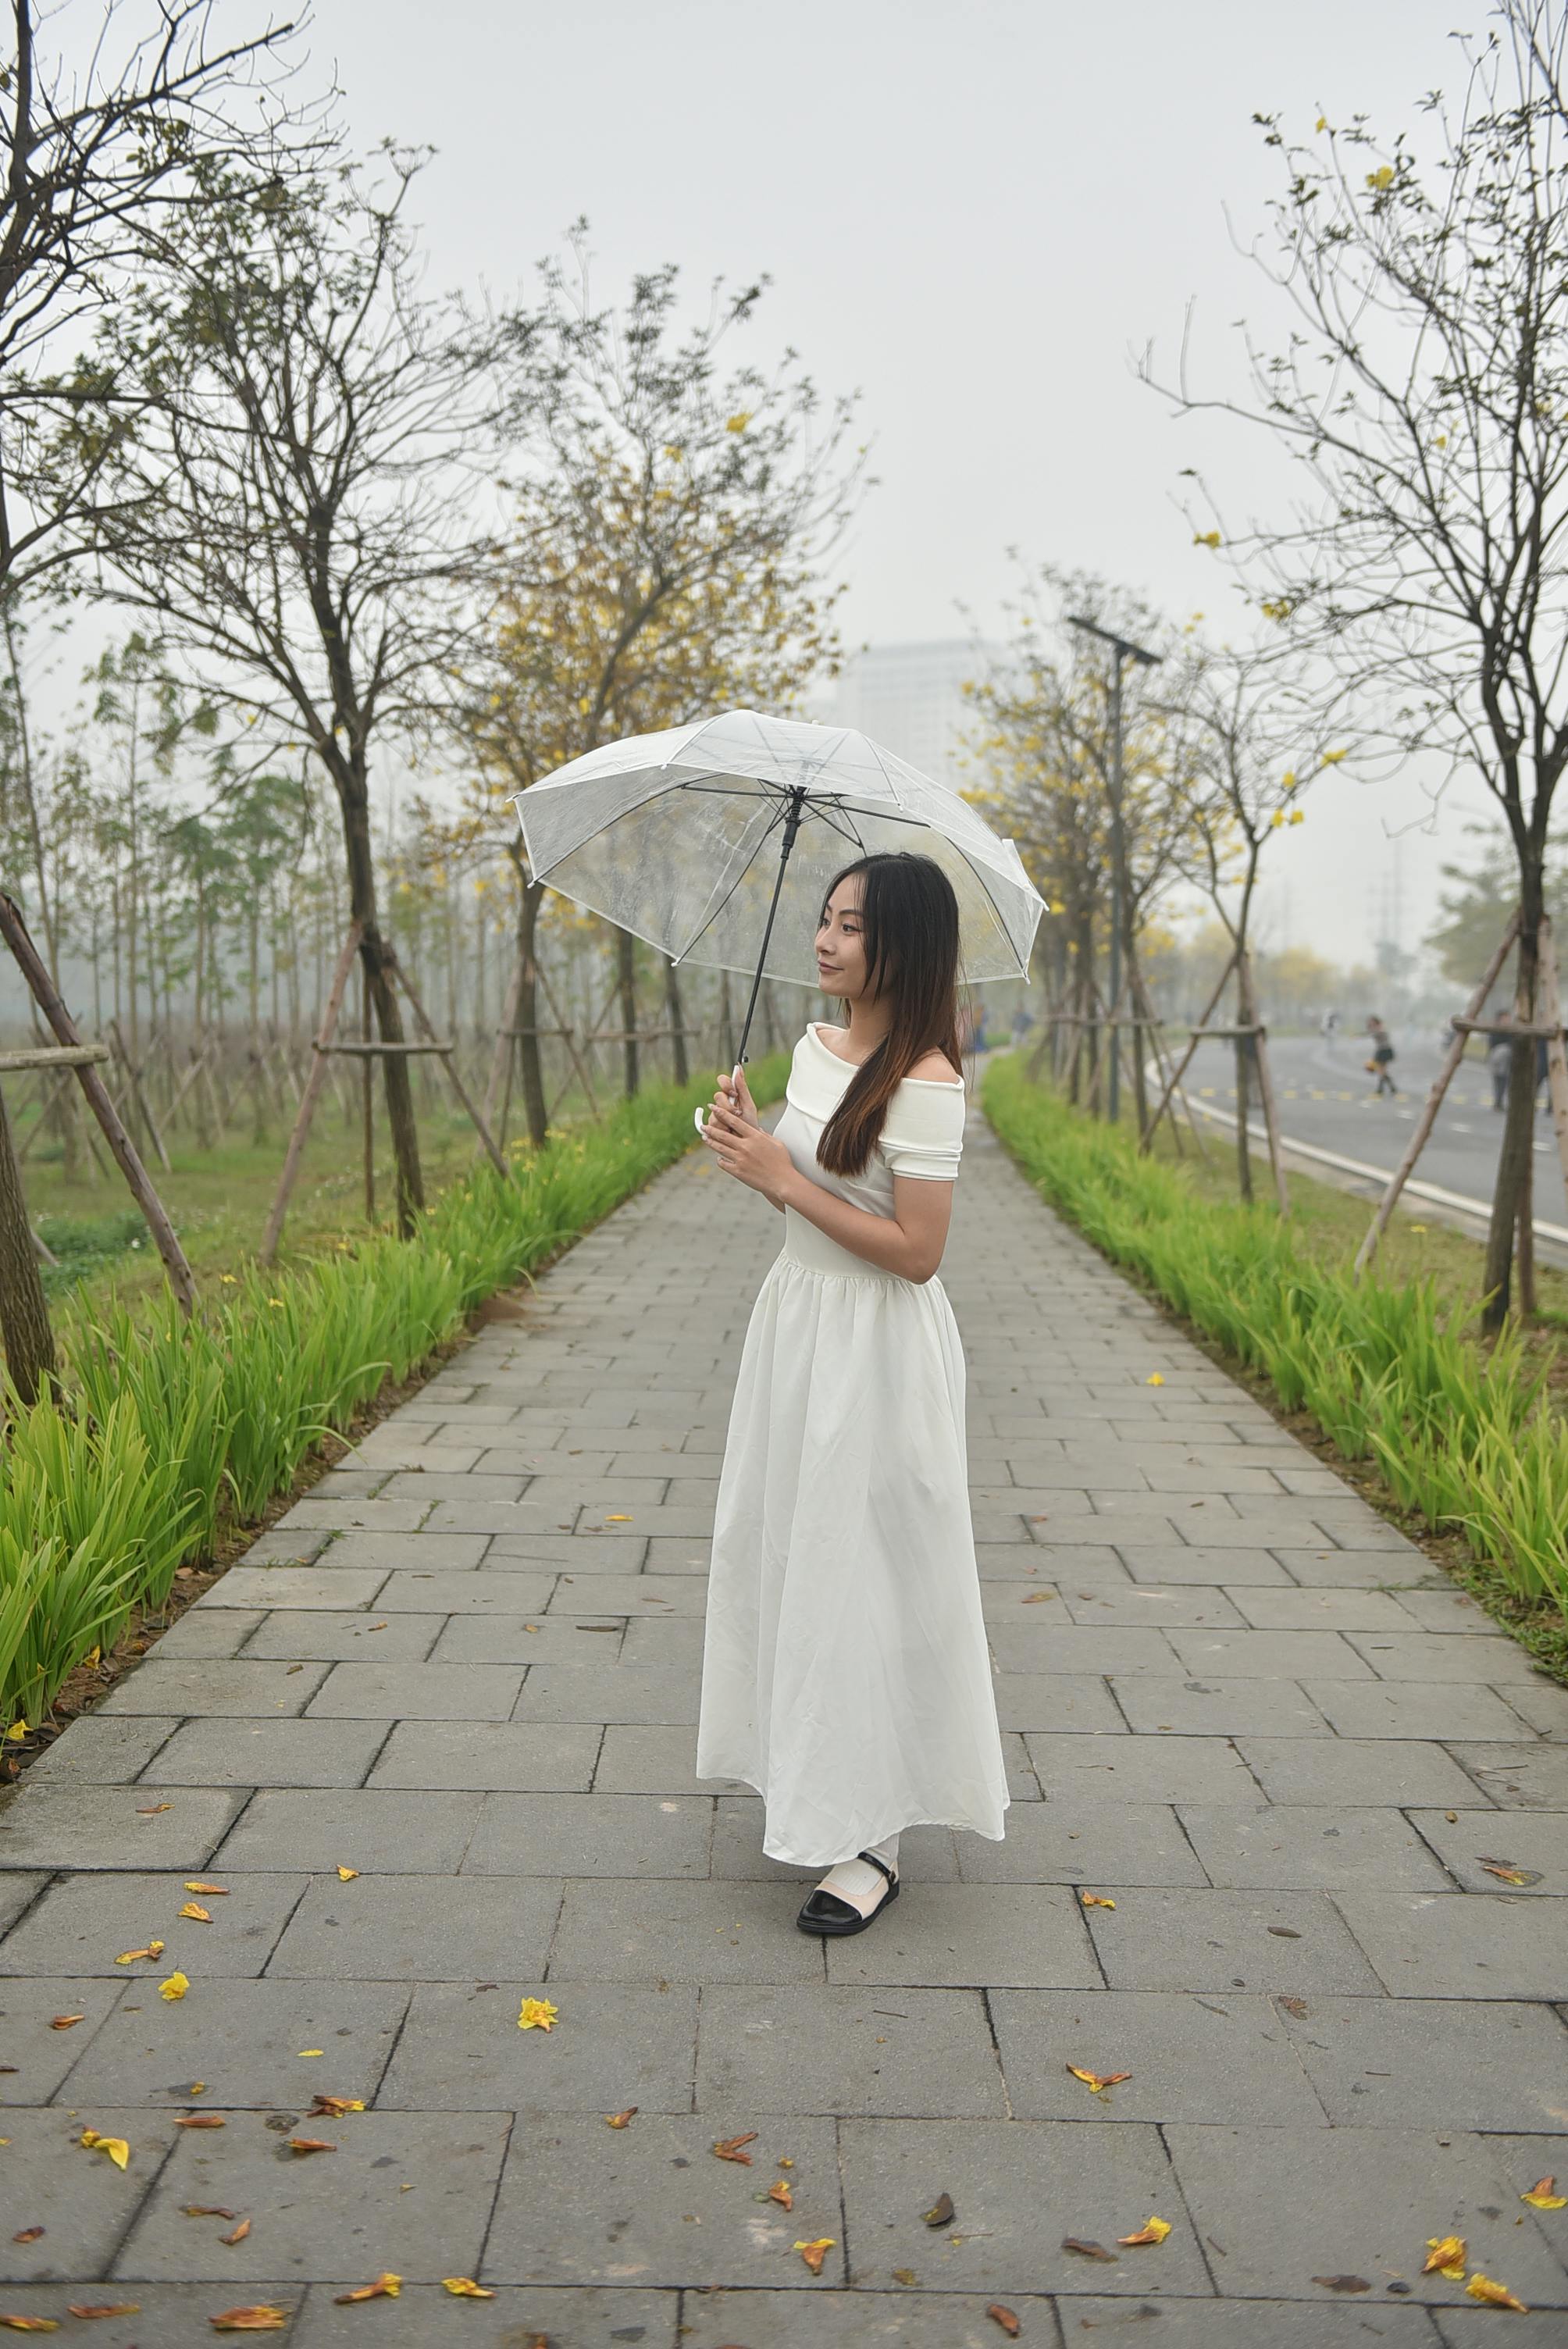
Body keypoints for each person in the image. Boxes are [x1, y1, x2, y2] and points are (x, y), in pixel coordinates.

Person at [694, 850, 1007, 1937]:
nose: (825, 940)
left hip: (878, 1350)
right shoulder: (816, 1046)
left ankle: (872, 1840)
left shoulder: (927, 1080)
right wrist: (747, 1138)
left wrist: (784, 1177)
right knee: (796, 1555)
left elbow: (918, 1251)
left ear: (904, 948)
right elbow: (806, 1186)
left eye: (852, 927)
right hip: (797, 1332)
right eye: (824, 919)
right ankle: (818, 1783)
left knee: (874, 1573)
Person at [1487, 1009, 1514, 1112]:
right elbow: (1492, 1044)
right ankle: (1498, 1102)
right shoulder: (1495, 1030)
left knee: (1504, 1081)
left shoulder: (1511, 1030)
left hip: (1507, 1061)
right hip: (1496, 1059)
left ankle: (1499, 1102)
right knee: (1498, 1081)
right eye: (1505, 1018)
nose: (1507, 1020)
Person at [1365, 1014, 1397, 1097]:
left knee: (1381, 1071)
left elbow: (1374, 1034)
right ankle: (1389, 1088)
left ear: (1375, 1022)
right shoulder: (1378, 1028)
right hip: (1383, 1050)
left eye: (1371, 1022)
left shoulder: (1379, 1029)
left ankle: (1382, 1089)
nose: (1370, 1023)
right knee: (1382, 1071)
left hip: (1384, 1050)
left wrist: (1371, 1029)